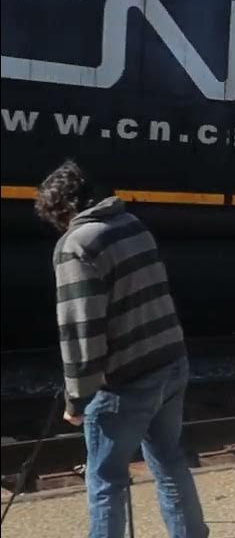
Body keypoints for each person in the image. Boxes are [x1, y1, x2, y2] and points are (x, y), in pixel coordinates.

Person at [34, 159, 208, 538]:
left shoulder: (75, 246)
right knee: (169, 462)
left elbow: (81, 329)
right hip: (171, 362)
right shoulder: (132, 224)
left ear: (63, 209)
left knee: (106, 479)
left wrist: (76, 401)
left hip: (127, 380)